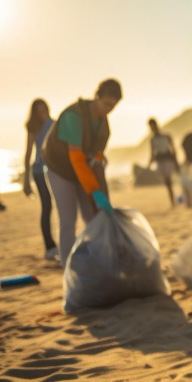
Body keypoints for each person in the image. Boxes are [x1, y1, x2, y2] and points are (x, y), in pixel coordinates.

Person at [42, 79, 120, 266]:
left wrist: (102, 198)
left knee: (93, 216)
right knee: (68, 220)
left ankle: (98, 262)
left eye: (113, 105)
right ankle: (68, 269)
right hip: (59, 169)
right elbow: (77, 159)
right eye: (106, 103)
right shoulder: (74, 116)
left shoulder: (103, 125)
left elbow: (96, 157)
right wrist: (95, 191)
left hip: (80, 170)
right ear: (97, 97)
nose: (109, 109)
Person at [23, 98, 59, 260]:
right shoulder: (33, 128)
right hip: (38, 170)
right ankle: (49, 246)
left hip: (54, 168)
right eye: (38, 110)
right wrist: (26, 180)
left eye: (44, 109)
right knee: (47, 205)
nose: (42, 113)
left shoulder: (55, 123)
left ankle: (59, 243)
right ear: (34, 113)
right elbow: (28, 153)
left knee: (58, 204)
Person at [147, 118, 180, 206]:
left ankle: (173, 199)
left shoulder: (166, 136)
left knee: (169, 180)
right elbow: (152, 152)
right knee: (167, 180)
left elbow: (173, 149)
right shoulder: (152, 139)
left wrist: (175, 160)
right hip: (160, 160)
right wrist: (149, 163)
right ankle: (172, 199)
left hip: (167, 159)